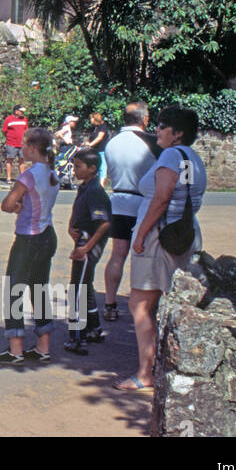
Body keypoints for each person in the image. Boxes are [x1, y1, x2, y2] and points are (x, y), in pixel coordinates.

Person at [115, 106, 207, 392]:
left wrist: (141, 235)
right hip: (182, 233)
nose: (157, 129)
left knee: (140, 304)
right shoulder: (193, 158)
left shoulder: (169, 155)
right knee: (166, 301)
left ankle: (146, 373)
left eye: (163, 125)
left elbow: (162, 197)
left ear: (177, 133)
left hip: (157, 237)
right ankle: (164, 365)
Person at [0, 127, 59, 365]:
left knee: (14, 291)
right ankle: (43, 346)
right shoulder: (52, 173)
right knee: (40, 289)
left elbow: (7, 204)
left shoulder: (28, 176)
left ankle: (16, 349)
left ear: (32, 147)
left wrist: (16, 206)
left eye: (24, 144)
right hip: (47, 234)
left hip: (28, 237)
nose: (21, 148)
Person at [101, 101, 158, 322]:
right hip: (143, 203)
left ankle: (110, 303)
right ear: (144, 119)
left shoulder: (112, 142)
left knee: (117, 255)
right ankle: (140, 306)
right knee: (142, 256)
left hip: (117, 200)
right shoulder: (152, 142)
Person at [64, 148, 111, 354]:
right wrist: (71, 227)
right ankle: (94, 328)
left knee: (77, 291)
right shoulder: (85, 187)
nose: (75, 170)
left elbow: (104, 224)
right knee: (85, 286)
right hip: (82, 241)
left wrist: (86, 248)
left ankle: (78, 338)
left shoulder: (94, 191)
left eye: (78, 167)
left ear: (92, 169)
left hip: (87, 246)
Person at [82, 112, 114, 187]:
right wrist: (87, 143)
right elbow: (92, 138)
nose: (90, 120)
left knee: (102, 167)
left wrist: (90, 144)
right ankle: (94, 182)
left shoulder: (103, 126)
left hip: (101, 150)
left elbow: (99, 137)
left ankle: (101, 184)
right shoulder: (95, 128)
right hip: (95, 151)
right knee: (95, 167)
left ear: (95, 118)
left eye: (91, 118)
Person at [0, 105, 28, 182]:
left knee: (22, 160)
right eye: (21, 111)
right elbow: (4, 131)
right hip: (11, 143)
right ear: (16, 111)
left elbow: (26, 130)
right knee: (9, 160)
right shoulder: (8, 119)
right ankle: (8, 178)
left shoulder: (24, 119)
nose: (23, 113)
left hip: (22, 144)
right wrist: (10, 138)